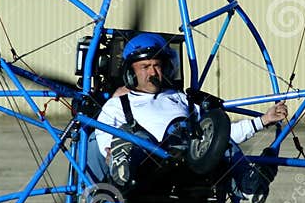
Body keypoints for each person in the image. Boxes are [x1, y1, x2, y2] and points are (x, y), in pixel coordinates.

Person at [92, 32, 287, 190]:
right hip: (147, 166)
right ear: (131, 72)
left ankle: (250, 184)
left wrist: (262, 120)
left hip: (188, 161)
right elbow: (101, 133)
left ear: (166, 68)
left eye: (156, 65)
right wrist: (108, 151)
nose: (152, 73)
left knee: (221, 143)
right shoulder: (118, 104)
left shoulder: (182, 99)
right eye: (144, 67)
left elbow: (217, 133)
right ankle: (121, 163)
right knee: (134, 136)